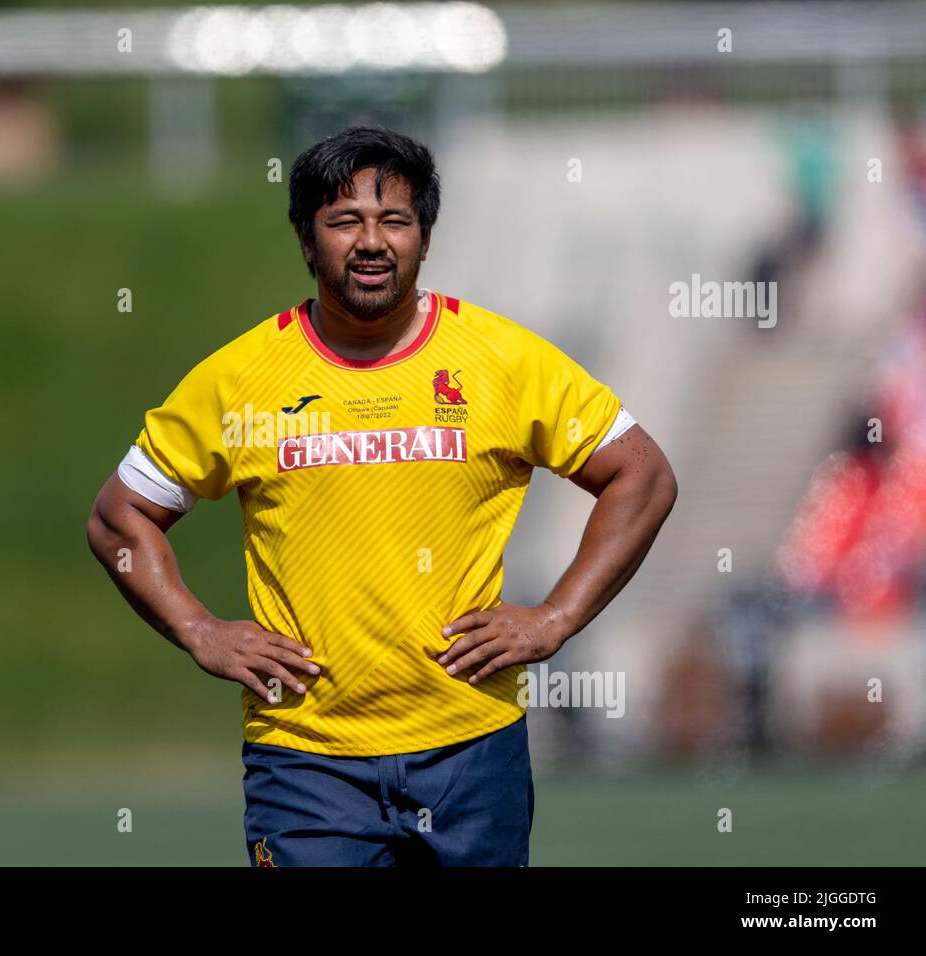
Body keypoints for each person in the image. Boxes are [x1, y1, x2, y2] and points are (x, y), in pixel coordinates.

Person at [87, 125, 677, 866]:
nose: (372, 242)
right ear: (308, 242)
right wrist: (200, 630)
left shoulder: (501, 360)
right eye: (344, 222)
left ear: (424, 238)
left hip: (471, 748)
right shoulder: (240, 378)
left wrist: (554, 619)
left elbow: (643, 474)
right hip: (306, 761)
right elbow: (120, 517)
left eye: (394, 220)